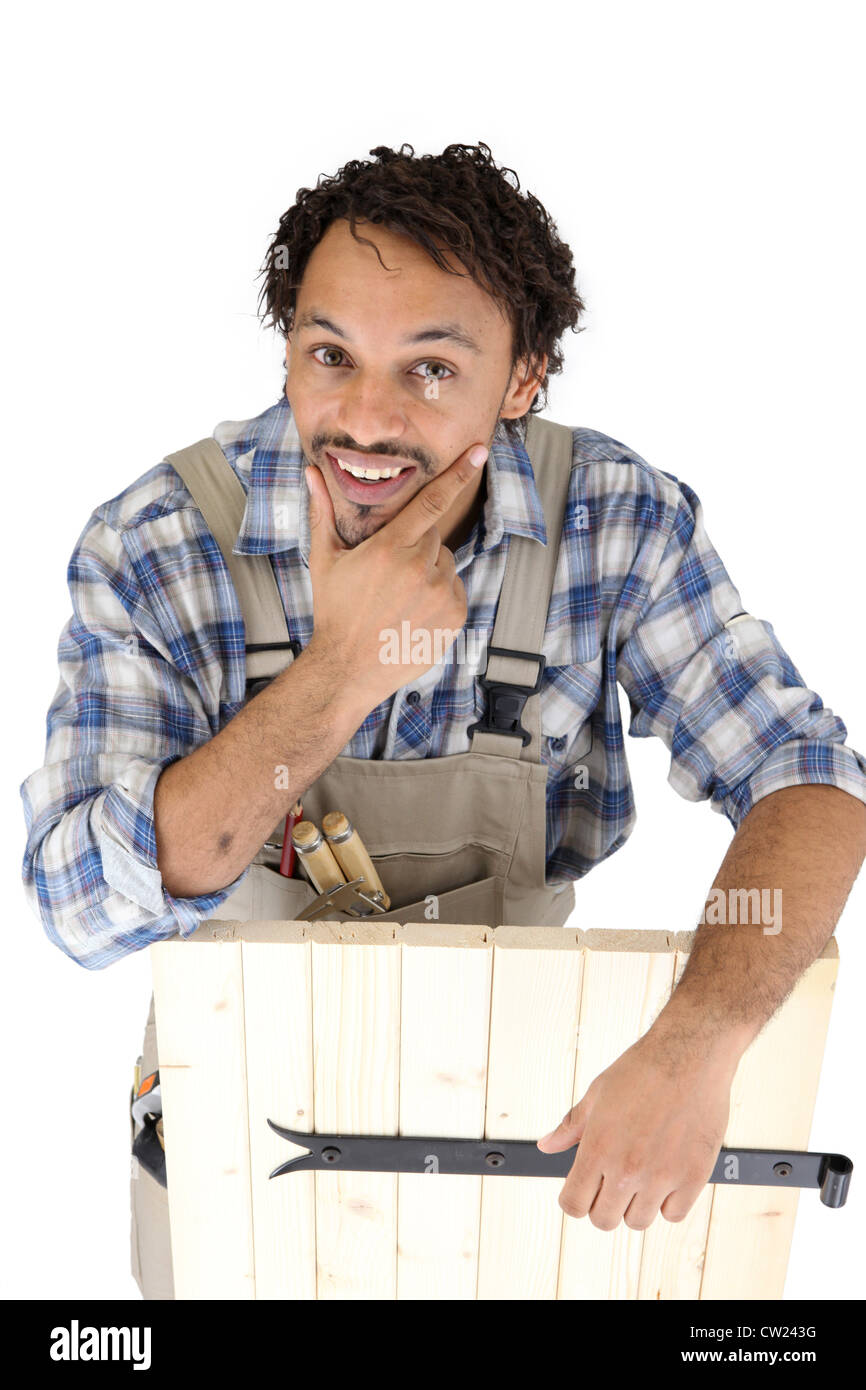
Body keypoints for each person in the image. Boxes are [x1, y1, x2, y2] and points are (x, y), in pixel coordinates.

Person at [20, 142, 866, 1299]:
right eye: (330, 356)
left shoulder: (610, 522)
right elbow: (75, 907)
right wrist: (338, 674)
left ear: (524, 377)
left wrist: (696, 1044)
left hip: (525, 1151)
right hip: (238, 1154)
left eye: (428, 369)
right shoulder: (162, 542)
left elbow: (809, 781)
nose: (363, 420)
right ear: (286, 347)